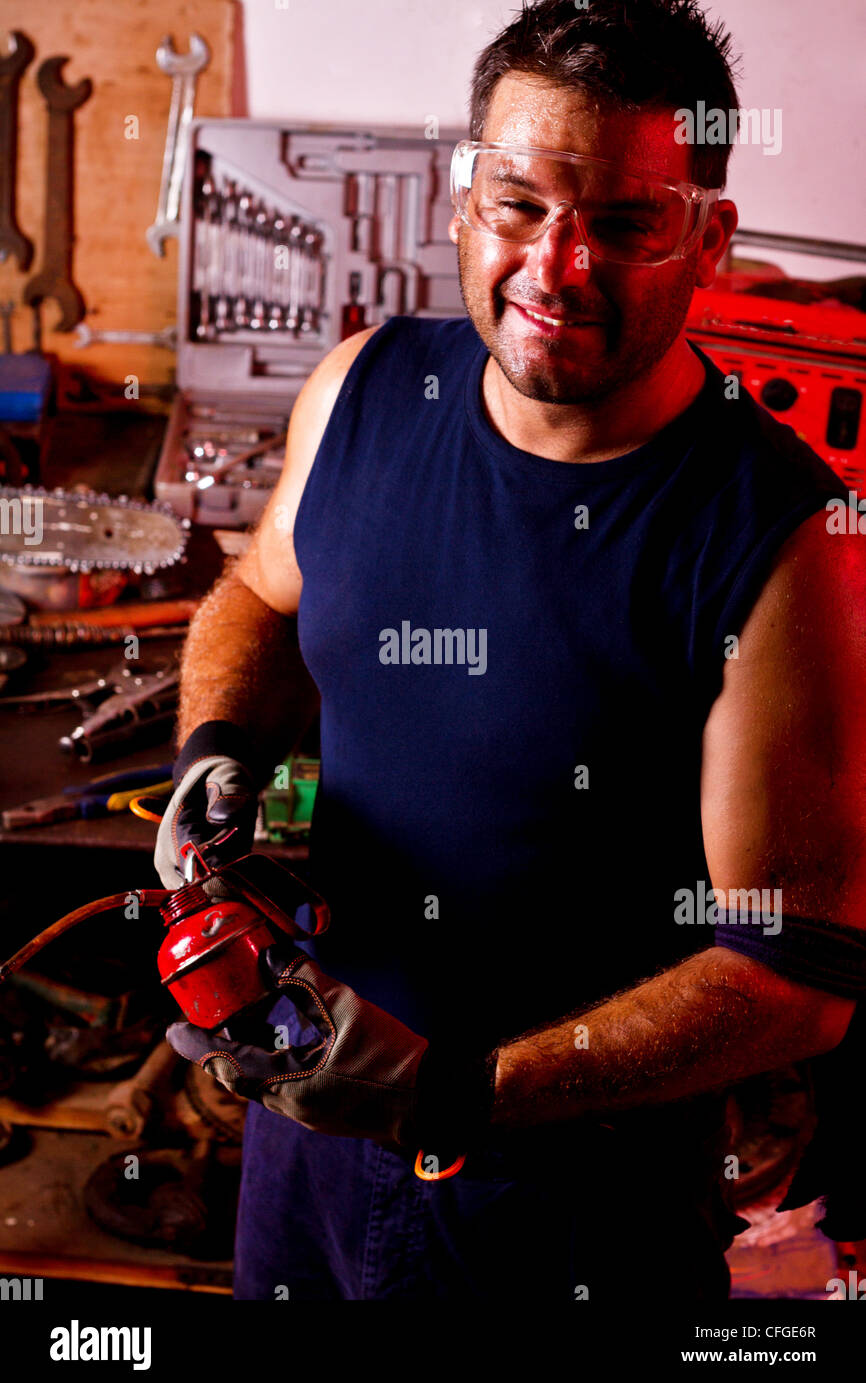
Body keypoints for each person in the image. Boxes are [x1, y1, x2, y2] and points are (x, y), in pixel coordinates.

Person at [155, 0, 866, 1300]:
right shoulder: (360, 391)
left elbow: (799, 967)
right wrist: (218, 745)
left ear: (706, 238)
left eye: (622, 222)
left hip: (565, 1208)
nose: (557, 264)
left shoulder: (771, 540)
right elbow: (253, 602)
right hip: (306, 1151)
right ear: (460, 201)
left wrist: (461, 1087)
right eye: (519, 204)